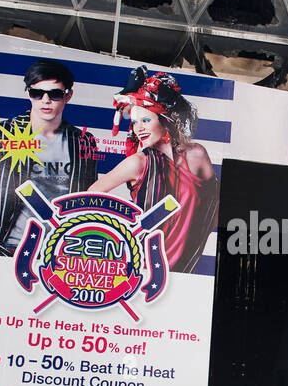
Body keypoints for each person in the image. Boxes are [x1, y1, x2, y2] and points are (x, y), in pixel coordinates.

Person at [90, 68, 218, 274]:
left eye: (146, 120)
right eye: (134, 122)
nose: (138, 128)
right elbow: (89, 197)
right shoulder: (138, 163)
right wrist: (116, 235)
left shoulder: (197, 154)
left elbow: (215, 207)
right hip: (142, 271)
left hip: (185, 272)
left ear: (165, 120)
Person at [0, 58, 98, 255]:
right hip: (8, 246)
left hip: (59, 251)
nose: (45, 100)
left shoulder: (83, 142)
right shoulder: (1, 134)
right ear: (27, 93)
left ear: (68, 95)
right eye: (37, 93)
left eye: (55, 94)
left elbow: (87, 200)